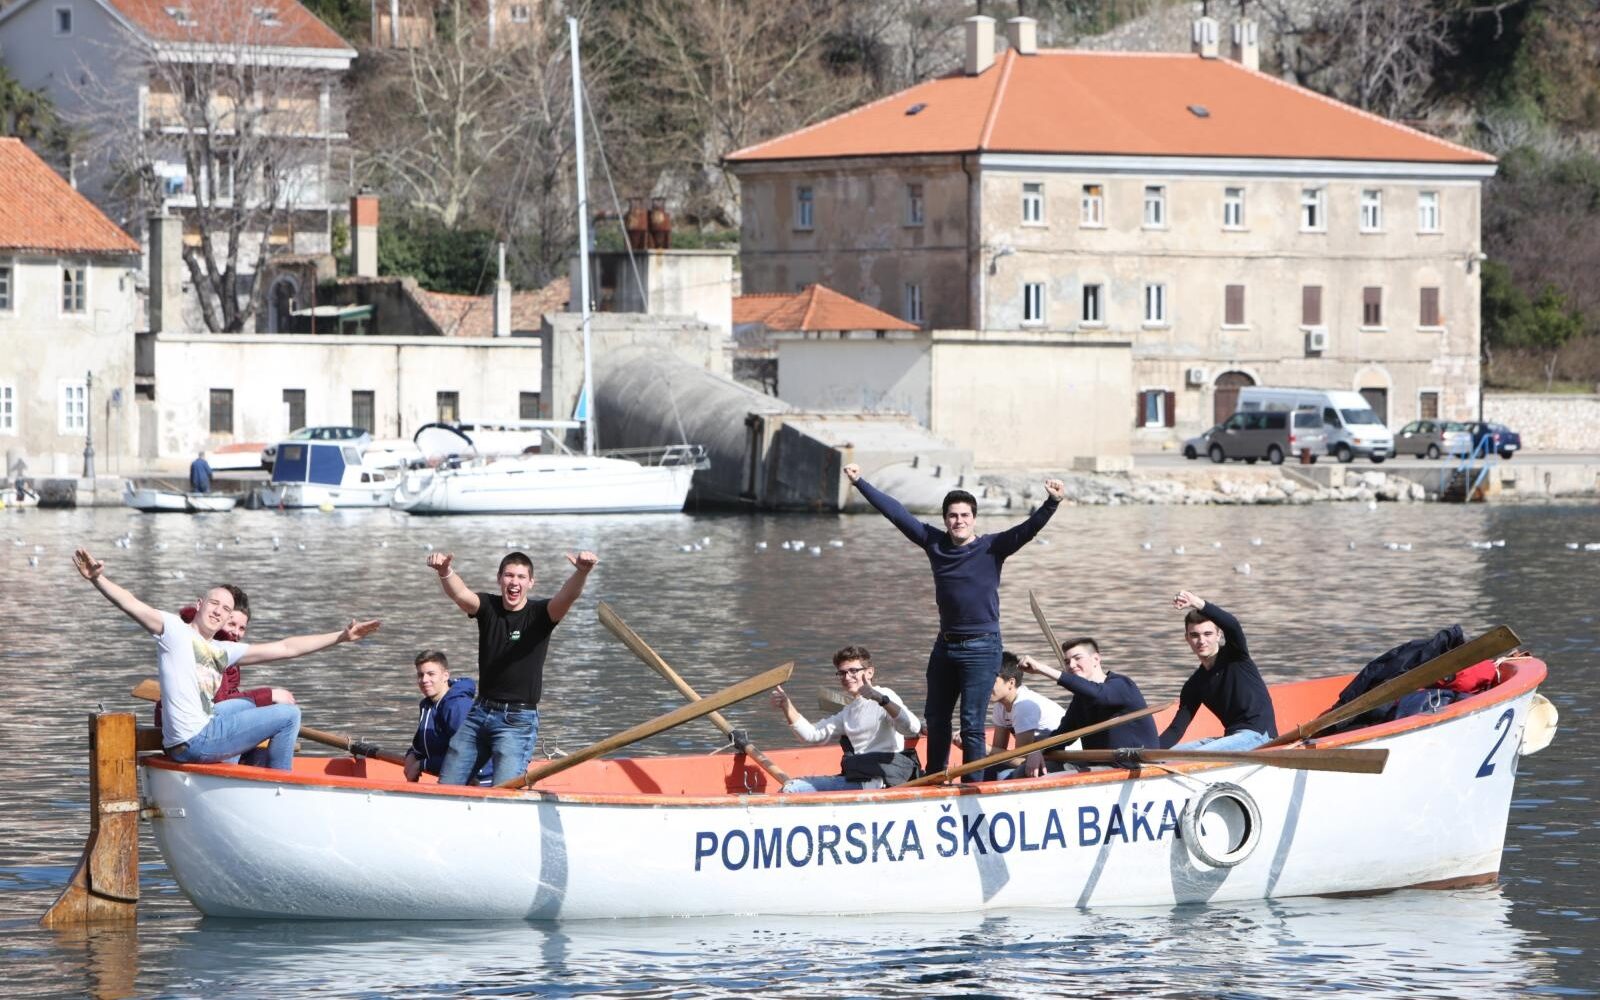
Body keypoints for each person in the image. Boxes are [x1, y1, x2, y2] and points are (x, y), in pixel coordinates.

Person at [843, 463, 1065, 779]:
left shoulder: (993, 547)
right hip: (946, 646)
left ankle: (973, 785)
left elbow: (1027, 529)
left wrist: (1051, 503)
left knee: (972, 723)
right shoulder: (935, 543)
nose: (958, 521)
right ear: (945, 519)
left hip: (982, 647)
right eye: (952, 515)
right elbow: (897, 514)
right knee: (936, 717)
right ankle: (936, 778)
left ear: (973, 519)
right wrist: (860, 482)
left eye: (964, 515)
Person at [74, 548, 380, 771]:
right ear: (199, 605)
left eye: (225, 608)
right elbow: (131, 603)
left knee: (244, 705)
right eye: (214, 603)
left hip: (197, 735)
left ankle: (240, 764)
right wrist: (98, 580)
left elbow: (287, 647)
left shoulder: (223, 651)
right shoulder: (175, 632)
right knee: (289, 714)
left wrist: (340, 636)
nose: (219, 611)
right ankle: (281, 784)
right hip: (195, 742)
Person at [427, 548, 598, 786]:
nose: (514, 582)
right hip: (480, 713)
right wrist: (445, 571)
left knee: (505, 792)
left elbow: (567, 596)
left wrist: (581, 572)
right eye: (509, 575)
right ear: (499, 579)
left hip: (516, 721)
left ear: (530, 583)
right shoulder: (488, 607)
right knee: (448, 784)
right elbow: (461, 595)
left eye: (520, 577)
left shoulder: (541, 614)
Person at [160, 586, 297, 766]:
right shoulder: (207, 647)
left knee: (262, 751)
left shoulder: (229, 649)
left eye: (242, 628)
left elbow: (285, 648)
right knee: (290, 715)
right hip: (199, 737)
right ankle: (276, 785)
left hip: (203, 735)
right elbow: (220, 702)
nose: (236, 633)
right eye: (232, 624)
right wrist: (268, 695)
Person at [768, 645, 922, 792]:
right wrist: (786, 706)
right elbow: (811, 735)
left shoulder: (885, 695)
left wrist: (882, 700)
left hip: (882, 781)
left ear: (869, 672)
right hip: (858, 778)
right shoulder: (848, 712)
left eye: (853, 671)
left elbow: (911, 728)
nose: (847, 677)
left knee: (793, 788)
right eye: (842, 673)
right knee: (794, 785)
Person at [1017, 636, 1159, 776]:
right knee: (1025, 771)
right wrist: (1037, 751)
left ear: (1096, 659)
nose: (1071, 665)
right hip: (1097, 767)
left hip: (1132, 767)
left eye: (1077, 658)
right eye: (1067, 662)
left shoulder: (1122, 685)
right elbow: (1062, 737)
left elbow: (1099, 695)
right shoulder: (1080, 700)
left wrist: (1042, 669)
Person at [1158, 591, 1277, 751]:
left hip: (1261, 736)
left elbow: (1233, 625)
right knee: (1170, 755)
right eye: (1194, 635)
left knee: (1193, 756)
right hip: (1232, 738)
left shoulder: (1236, 655)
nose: (1201, 641)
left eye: (1208, 634)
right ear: (1186, 638)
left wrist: (1196, 602)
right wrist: (1146, 752)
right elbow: (1176, 729)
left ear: (1218, 635)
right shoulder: (1194, 685)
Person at [403, 649, 489, 784]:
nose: (424, 680)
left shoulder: (458, 706)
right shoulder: (427, 705)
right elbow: (423, 743)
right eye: (420, 675)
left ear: (445, 676)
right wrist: (412, 755)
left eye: (431, 674)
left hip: (479, 780)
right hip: (451, 774)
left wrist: (423, 765)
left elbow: (467, 753)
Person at [984, 651, 1065, 776]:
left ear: (1011, 682)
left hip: (1064, 758)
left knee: (1009, 773)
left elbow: (1021, 759)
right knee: (985, 768)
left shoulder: (1024, 706)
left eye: (991, 681)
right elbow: (997, 752)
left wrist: (983, 747)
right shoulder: (1000, 705)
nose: (984, 686)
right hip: (1036, 756)